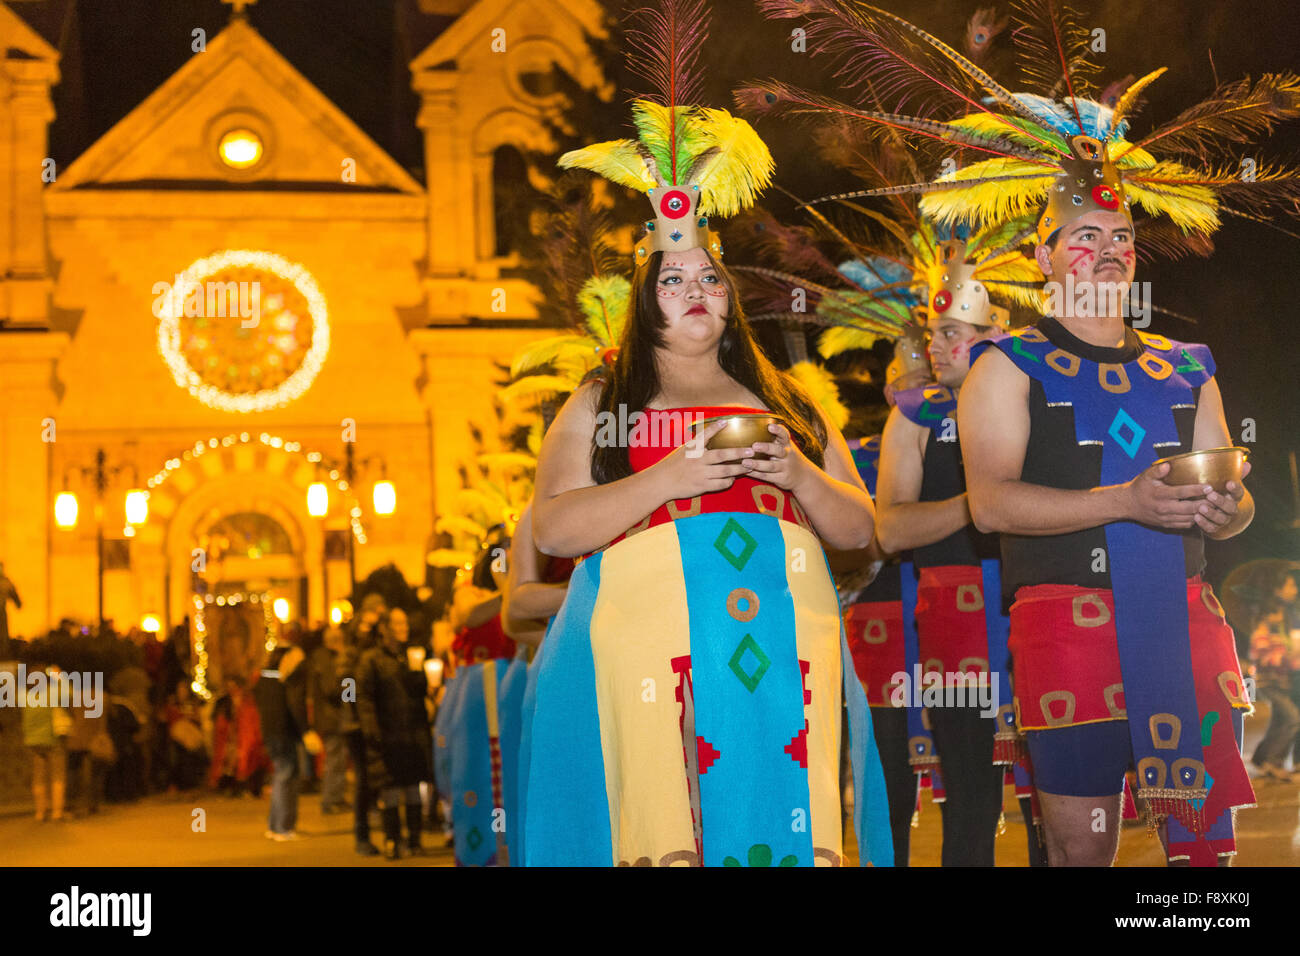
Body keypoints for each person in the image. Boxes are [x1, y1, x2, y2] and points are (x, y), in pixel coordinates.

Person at [523, 15, 892, 864]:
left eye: (710, 279)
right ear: (646, 300)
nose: (695, 289)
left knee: (789, 819)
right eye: (674, 279)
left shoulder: (788, 399)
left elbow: (860, 530)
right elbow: (554, 529)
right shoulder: (601, 399)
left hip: (784, 620)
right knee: (679, 832)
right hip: (655, 632)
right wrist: (675, 475)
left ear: (729, 298)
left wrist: (797, 475)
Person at [959, 153, 1257, 865]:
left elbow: (1234, 494)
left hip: (1186, 619)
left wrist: (1229, 512)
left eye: (1119, 236)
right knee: (1081, 853)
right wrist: (1123, 501)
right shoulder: (1006, 365)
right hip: (1068, 624)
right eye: (1083, 237)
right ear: (1045, 257)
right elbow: (990, 504)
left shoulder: (1189, 365)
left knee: (1204, 852)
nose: (1108, 251)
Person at [874, 236, 1042, 867]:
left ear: (995, 330)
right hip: (952, 624)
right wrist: (983, 500)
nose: (936, 347)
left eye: (953, 333)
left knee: (1048, 801)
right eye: (932, 333)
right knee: (970, 800)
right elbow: (889, 530)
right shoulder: (914, 414)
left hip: (1031, 611)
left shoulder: (1037, 396)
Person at [356, 608, 432, 860]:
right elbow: (362, 696)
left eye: (405, 622)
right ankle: (392, 839)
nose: (404, 628)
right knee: (389, 788)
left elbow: (420, 693)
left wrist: (419, 675)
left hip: (412, 734)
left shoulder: (411, 654)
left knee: (412, 787)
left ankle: (414, 839)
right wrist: (370, 729)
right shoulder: (372, 659)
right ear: (385, 628)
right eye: (398, 623)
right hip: (387, 735)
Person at [253, 644, 315, 841]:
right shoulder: (287, 680)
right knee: (285, 776)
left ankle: (275, 825)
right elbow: (296, 705)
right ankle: (282, 827)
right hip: (284, 733)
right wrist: (305, 731)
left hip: (271, 733)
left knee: (282, 775)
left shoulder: (264, 680)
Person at [341, 593, 384, 855]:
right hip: (356, 725)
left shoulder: (374, 653)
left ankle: (373, 826)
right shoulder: (351, 655)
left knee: (374, 778)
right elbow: (346, 689)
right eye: (365, 626)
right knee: (364, 779)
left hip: (372, 721)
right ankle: (362, 833)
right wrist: (358, 712)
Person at [1251, 571, 1300, 780]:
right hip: (1267, 680)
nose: (1294, 590)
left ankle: (1261, 758)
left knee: (1280, 719)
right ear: (1277, 590)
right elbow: (1258, 650)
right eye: (1289, 586)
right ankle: (1274, 762)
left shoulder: (1287, 615)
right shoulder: (1265, 616)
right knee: (1291, 718)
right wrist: (1286, 657)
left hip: (1283, 679)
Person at [308, 624, 349, 813]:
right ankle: (330, 800)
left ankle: (336, 797)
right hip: (331, 717)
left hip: (333, 716)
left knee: (339, 759)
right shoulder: (327, 659)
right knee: (334, 759)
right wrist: (349, 685)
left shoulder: (323, 657)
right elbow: (332, 689)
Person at [22, 660, 68, 822]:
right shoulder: (51, 693)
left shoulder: (26, 697)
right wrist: (58, 675)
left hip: (33, 742)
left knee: (39, 778)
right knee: (57, 776)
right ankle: (57, 812)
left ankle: (40, 812)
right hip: (52, 740)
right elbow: (69, 693)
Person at [207, 675, 268, 797]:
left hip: (244, 740)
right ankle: (230, 786)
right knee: (229, 762)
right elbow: (219, 723)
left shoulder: (249, 704)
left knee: (245, 761)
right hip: (230, 740)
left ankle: (245, 786)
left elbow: (251, 724)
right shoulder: (225, 703)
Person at [0, 561, 20, 658]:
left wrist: (18, 603)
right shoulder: (6, 582)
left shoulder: (6, 582)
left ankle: (3, 653)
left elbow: (14, 594)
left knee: (3, 634)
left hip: (2, 611)